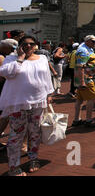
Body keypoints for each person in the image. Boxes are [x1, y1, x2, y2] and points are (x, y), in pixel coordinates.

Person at [0, 35, 54, 176]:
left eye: (31, 44)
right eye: (25, 44)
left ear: (36, 46)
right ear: (19, 46)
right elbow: (6, 73)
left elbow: (47, 77)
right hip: (18, 102)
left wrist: (49, 93)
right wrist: (20, 58)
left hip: (38, 101)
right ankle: (13, 166)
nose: (28, 46)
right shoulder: (11, 59)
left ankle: (33, 158)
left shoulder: (42, 58)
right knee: (16, 135)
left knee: (35, 133)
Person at [72, 35, 95, 128]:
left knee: (79, 99)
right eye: (93, 41)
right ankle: (88, 120)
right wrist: (82, 82)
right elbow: (81, 66)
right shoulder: (83, 50)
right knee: (91, 98)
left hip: (84, 78)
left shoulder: (87, 49)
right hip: (86, 79)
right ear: (87, 41)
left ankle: (76, 119)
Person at [0, 39, 18, 152]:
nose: (12, 51)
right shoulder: (1, 58)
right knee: (5, 116)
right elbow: (3, 76)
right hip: (2, 90)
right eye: (11, 48)